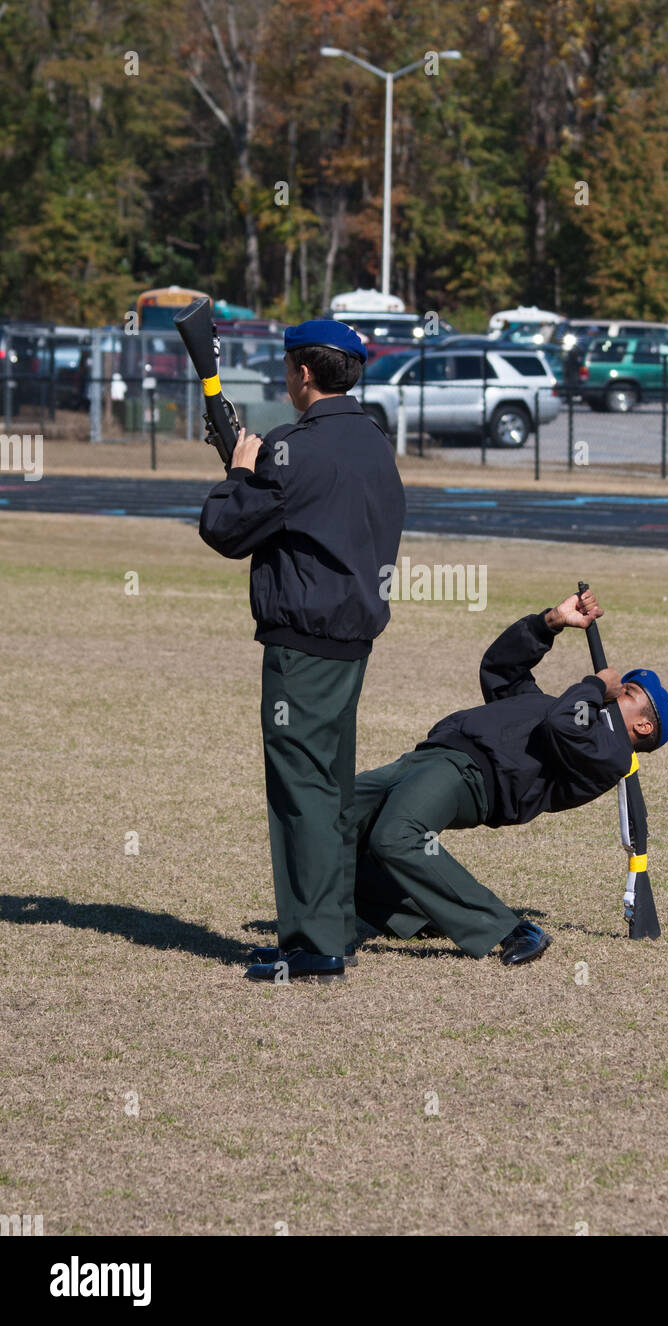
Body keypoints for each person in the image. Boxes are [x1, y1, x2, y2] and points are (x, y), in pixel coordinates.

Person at [200, 319, 406, 985]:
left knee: (302, 793)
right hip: (352, 638)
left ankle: (314, 945)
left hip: (304, 643)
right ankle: (335, 926)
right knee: (331, 787)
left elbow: (225, 529)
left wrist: (237, 470)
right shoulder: (375, 441)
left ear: (305, 375)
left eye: (289, 369)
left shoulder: (297, 448)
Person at [344, 587, 668, 967]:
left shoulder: (609, 753)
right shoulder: (558, 708)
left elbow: (563, 724)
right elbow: (501, 669)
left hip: (470, 776)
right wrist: (549, 623)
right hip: (429, 757)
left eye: (627, 691)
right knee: (333, 815)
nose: (617, 690)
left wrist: (597, 685)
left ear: (645, 724)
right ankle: (411, 916)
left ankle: (510, 930)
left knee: (395, 836)